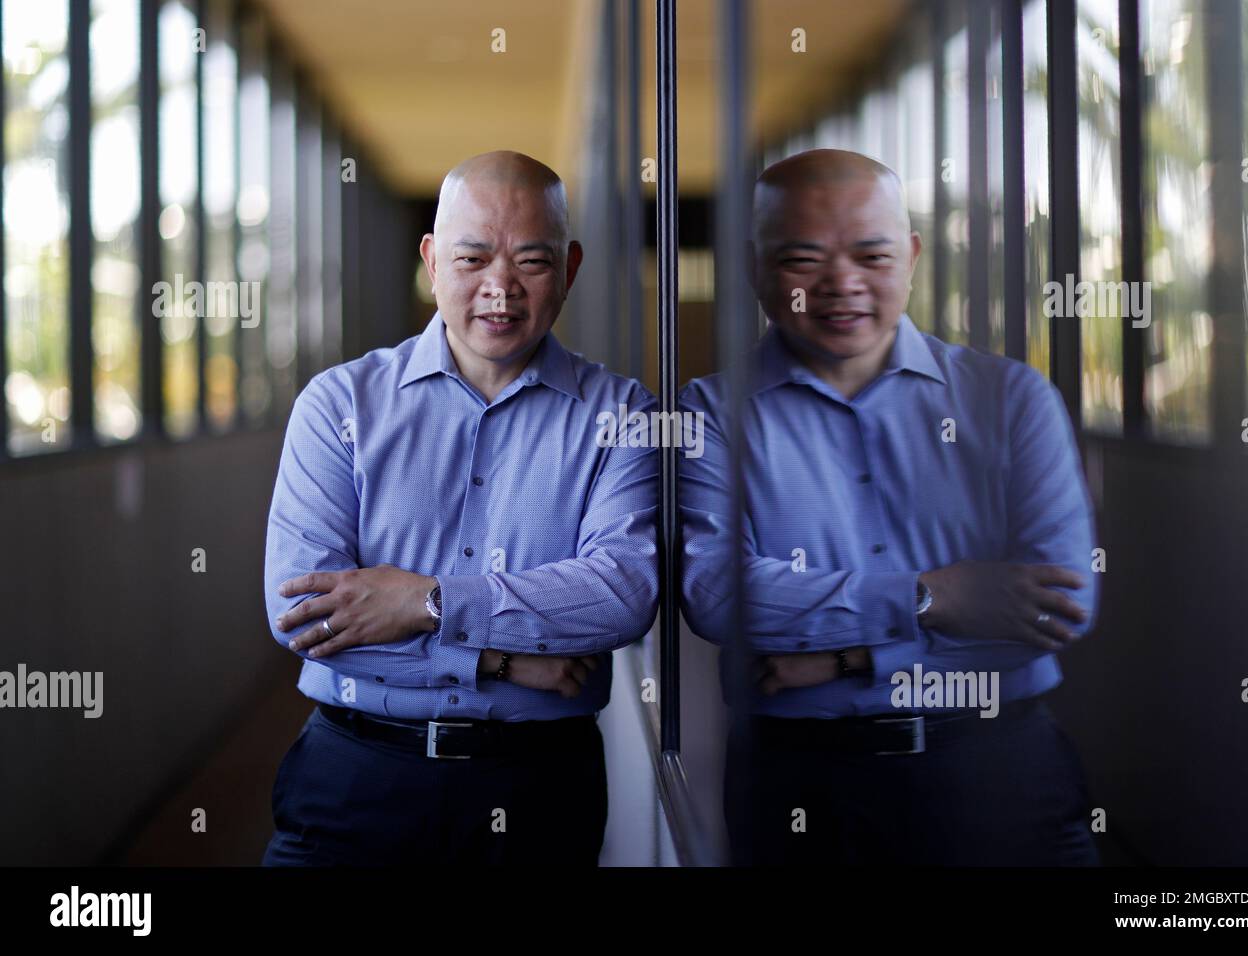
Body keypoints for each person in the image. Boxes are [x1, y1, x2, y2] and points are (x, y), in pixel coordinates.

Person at [679, 148, 1101, 865]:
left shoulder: (1010, 400)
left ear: (909, 256)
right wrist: (938, 597)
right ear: (755, 267)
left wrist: (842, 656)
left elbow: (1060, 604)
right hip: (801, 787)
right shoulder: (711, 414)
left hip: (1001, 770)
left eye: (871, 255)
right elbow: (721, 598)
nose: (841, 284)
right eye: (802, 259)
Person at [261, 150, 659, 865]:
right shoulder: (338, 406)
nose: (499, 288)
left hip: (537, 790)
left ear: (568, 269)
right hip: (353, 778)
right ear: (432, 260)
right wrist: (503, 664)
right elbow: (305, 617)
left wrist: (428, 602)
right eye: (472, 258)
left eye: (530, 262)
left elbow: (621, 594)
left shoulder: (625, 415)